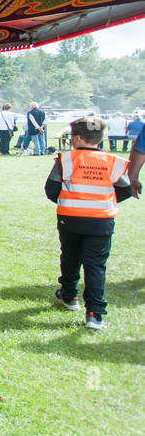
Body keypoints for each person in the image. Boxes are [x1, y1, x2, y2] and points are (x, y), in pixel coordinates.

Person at [46, 116, 132, 330]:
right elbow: (126, 189)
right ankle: (94, 314)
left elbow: (51, 189)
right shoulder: (112, 162)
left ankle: (69, 296)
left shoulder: (66, 160)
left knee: (70, 257)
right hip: (101, 221)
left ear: (77, 138)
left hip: (70, 219)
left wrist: (70, 198)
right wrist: (103, 199)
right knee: (96, 266)